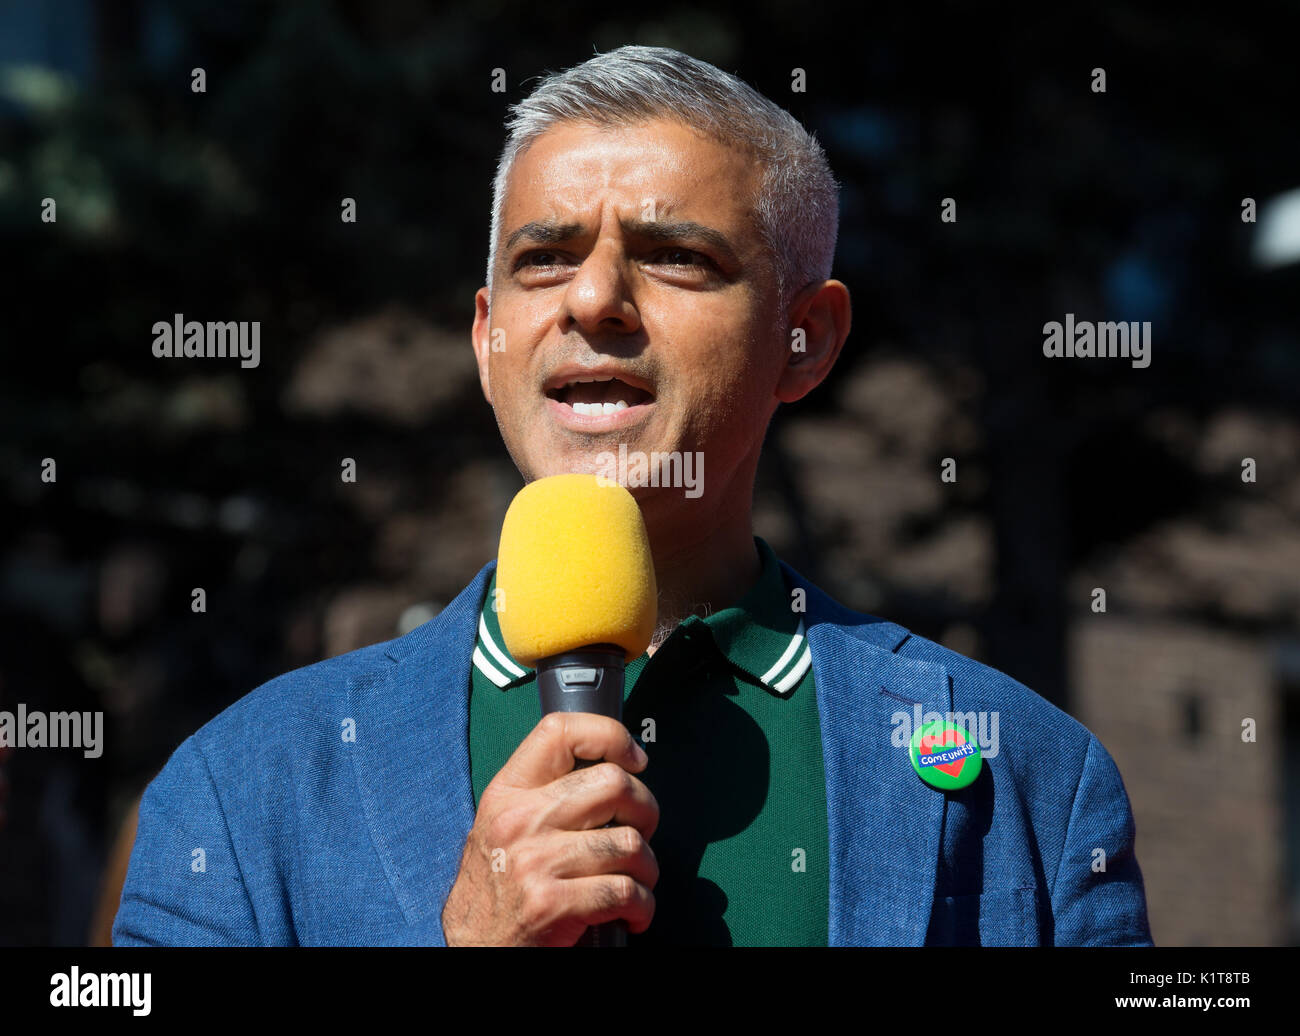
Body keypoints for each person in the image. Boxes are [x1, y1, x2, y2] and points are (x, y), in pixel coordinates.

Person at [113, 45, 1153, 947]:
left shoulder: (1030, 780)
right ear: (487, 339)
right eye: (545, 258)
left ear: (808, 339)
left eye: (673, 256)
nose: (595, 299)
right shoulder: (240, 788)